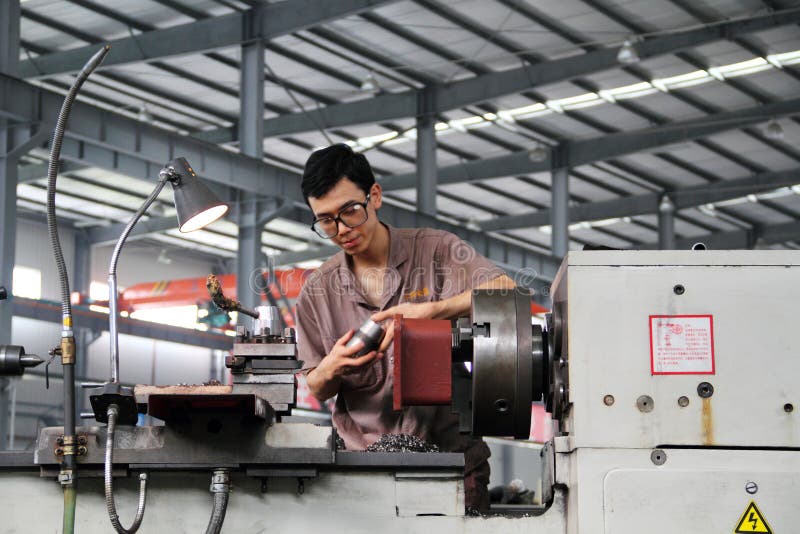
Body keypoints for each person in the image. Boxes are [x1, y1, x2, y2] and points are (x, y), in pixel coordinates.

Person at [295, 143, 516, 511]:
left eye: (350, 211)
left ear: (375, 196)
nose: (342, 229)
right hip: (364, 475)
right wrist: (331, 367)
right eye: (326, 221)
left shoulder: (437, 251)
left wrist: (434, 311)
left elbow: (507, 294)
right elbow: (316, 386)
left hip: (453, 468)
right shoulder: (318, 292)